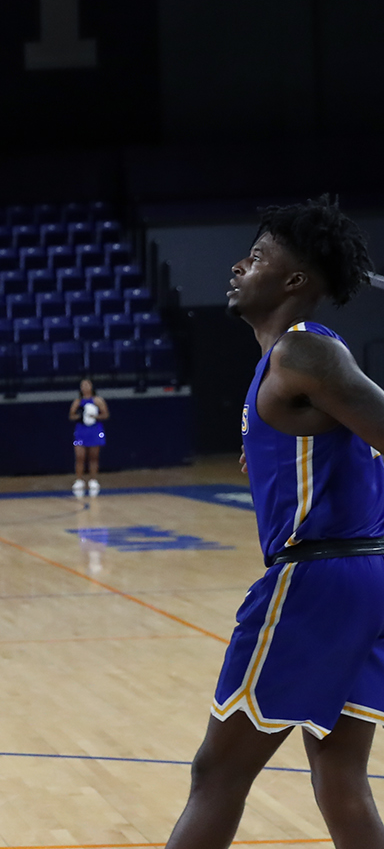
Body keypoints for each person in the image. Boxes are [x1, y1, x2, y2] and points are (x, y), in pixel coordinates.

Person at [160, 198, 384, 847]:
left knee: (216, 772)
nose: (237, 265)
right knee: (339, 775)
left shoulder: (301, 353)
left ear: (294, 282)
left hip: (318, 579)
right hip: (363, 578)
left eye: (256, 257)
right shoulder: (295, 365)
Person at [70, 379, 109, 499]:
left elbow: (105, 414)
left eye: (87, 385)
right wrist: (80, 416)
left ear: (91, 387)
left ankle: (93, 480)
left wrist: (95, 416)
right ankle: (79, 480)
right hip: (81, 431)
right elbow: (71, 415)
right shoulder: (77, 401)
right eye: (83, 385)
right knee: (80, 456)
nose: (85, 387)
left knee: (93, 456)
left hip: (95, 430)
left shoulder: (98, 400)